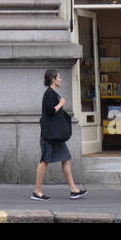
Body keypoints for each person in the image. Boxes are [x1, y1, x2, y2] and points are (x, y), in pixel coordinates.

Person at [32, 69, 86, 201]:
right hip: (50, 136)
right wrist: (61, 104)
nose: (61, 79)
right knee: (44, 161)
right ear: (53, 80)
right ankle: (37, 191)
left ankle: (73, 190)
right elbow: (49, 112)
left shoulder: (53, 93)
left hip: (54, 135)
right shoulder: (49, 94)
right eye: (59, 77)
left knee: (66, 159)